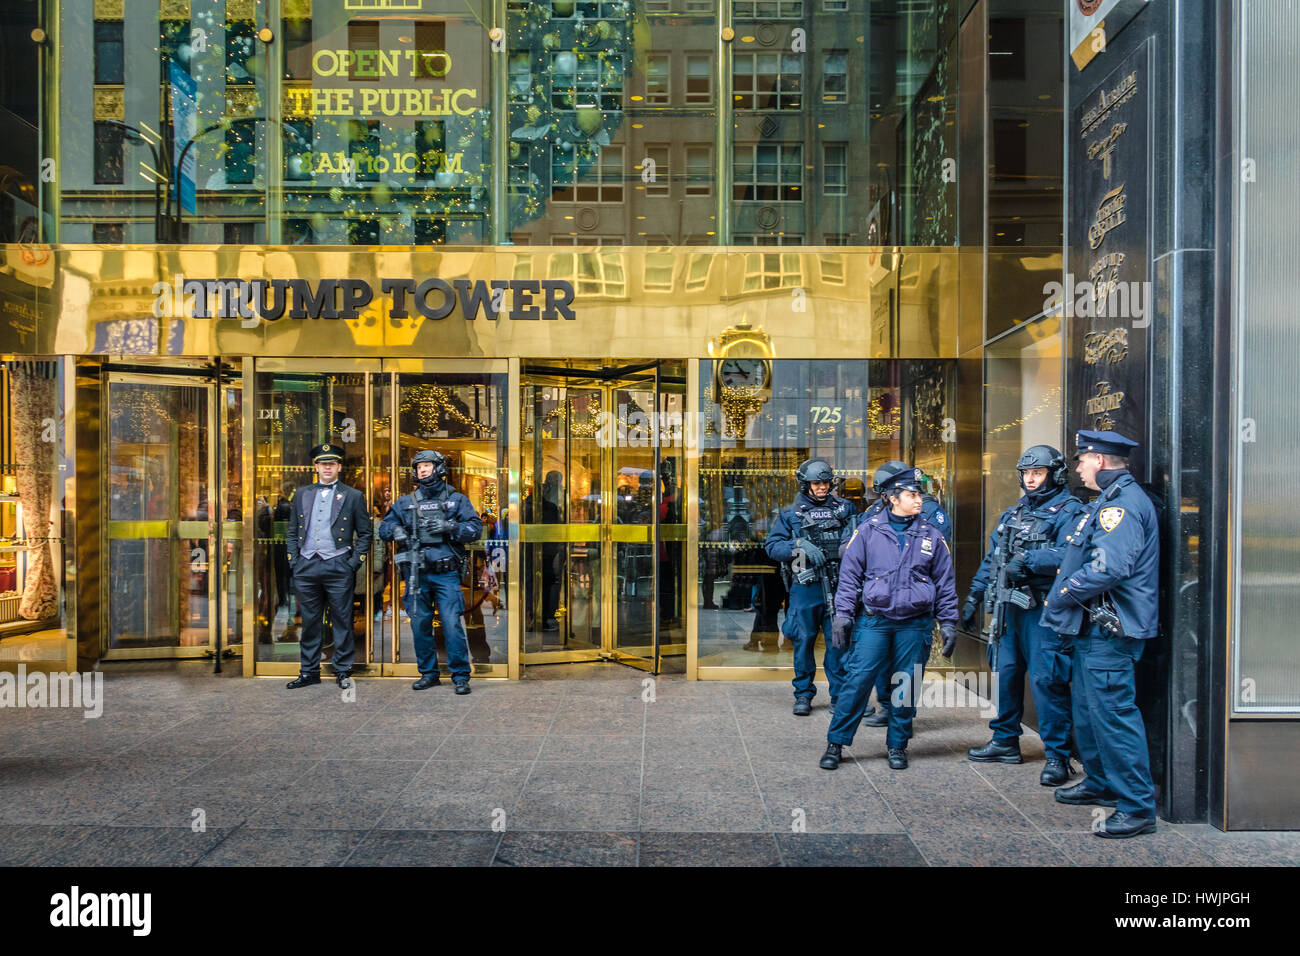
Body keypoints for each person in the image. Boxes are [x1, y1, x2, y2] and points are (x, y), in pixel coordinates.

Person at [1041, 430, 1160, 838]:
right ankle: (1101, 783)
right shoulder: (1109, 501)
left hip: (1111, 630)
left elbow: (1109, 568)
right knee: (1089, 712)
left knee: (1114, 716)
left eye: (1082, 460)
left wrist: (1062, 596)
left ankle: (1137, 808)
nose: (1077, 468)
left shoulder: (1122, 506)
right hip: (1092, 628)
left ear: (1101, 461)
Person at [820, 465, 958, 770]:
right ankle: (836, 743)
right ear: (893, 498)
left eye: (919, 493)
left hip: (915, 623)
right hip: (875, 622)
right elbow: (849, 577)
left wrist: (948, 622)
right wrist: (842, 616)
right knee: (857, 681)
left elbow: (945, 582)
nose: (919, 499)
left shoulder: (931, 535)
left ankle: (898, 745)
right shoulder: (868, 532)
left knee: (906, 686)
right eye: (912, 494)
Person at [962, 445, 1084, 785]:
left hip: (1044, 610)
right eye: (1027, 474)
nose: (1031, 479)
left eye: (1038, 473)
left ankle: (1058, 757)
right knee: (1008, 674)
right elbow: (993, 559)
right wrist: (974, 594)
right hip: (1010, 610)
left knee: (1047, 681)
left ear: (1055, 475)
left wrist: (1029, 562)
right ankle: (1005, 740)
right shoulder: (1013, 513)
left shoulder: (1069, 511)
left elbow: (1070, 555)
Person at [850, 461, 953, 728]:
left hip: (913, 605)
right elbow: (852, 546)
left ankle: (901, 719)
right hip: (882, 604)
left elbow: (937, 561)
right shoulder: (876, 514)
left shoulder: (929, 511)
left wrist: (947, 619)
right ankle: (887, 706)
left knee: (906, 671)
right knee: (881, 665)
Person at [378, 449, 483, 694]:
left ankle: (460, 676)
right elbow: (385, 527)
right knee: (420, 624)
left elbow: (475, 528)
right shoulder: (405, 502)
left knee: (451, 624)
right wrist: (397, 532)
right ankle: (428, 673)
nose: (422, 470)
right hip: (417, 573)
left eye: (427, 465)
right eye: (418, 467)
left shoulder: (456, 499)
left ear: (439, 468)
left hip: (446, 573)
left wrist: (450, 526)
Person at [763, 459, 856, 716]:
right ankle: (803, 694)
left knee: (839, 643)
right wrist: (798, 546)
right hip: (806, 586)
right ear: (806, 484)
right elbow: (772, 547)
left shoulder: (845, 509)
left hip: (838, 585)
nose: (823, 487)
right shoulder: (790, 513)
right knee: (803, 642)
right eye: (817, 483)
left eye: (826, 482)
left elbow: (858, 542)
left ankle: (839, 697)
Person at [284, 443, 372, 690]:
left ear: (339, 467)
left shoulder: (353, 496)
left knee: (342, 619)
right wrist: (294, 559)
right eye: (323, 464)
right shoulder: (302, 493)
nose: (327, 468)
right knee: (310, 621)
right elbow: (293, 531)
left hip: (338, 564)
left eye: (331, 464)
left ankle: (343, 670)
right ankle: (309, 671)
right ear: (316, 467)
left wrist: (353, 563)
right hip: (307, 565)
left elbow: (365, 533)